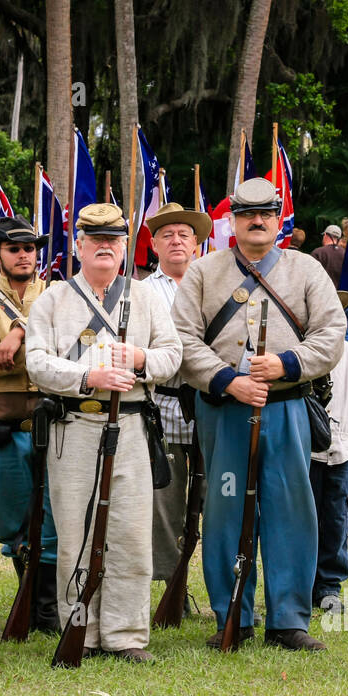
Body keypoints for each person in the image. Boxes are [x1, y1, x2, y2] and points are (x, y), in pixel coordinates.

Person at [173, 177, 344, 652]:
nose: (257, 221)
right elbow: (182, 339)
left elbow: (332, 334)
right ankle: (234, 615)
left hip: (286, 407)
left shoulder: (306, 269)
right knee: (226, 509)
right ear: (233, 220)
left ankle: (289, 620)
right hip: (224, 409)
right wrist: (230, 380)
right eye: (248, 214)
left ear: (278, 219)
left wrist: (288, 364)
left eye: (267, 213)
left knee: (291, 509)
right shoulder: (205, 272)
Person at [25, 202, 182, 663]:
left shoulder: (146, 297)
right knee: (75, 531)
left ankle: (127, 635)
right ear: (78, 245)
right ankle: (83, 630)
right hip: (73, 426)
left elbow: (172, 355)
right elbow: (36, 361)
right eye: (95, 239)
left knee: (131, 533)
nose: (104, 247)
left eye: (113, 239)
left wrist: (139, 360)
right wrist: (86, 377)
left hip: (131, 424)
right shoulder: (53, 299)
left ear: (124, 247)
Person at [0, 215, 59, 633]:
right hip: (3, 427)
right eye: (14, 248)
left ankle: (46, 608)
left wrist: (19, 332)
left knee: (52, 515)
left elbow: (63, 341)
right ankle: (27, 593)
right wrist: (1, 350)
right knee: (13, 519)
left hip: (53, 423)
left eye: (29, 248)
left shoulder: (57, 294)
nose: (24, 255)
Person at [141, 202, 212, 595]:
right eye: (167, 234)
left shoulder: (213, 285)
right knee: (166, 503)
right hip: (164, 403)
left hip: (213, 403)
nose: (176, 240)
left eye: (184, 234)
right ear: (154, 245)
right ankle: (173, 587)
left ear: (197, 244)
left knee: (211, 501)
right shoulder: (143, 292)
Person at [310, 292, 348, 615]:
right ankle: (301, 583)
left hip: (340, 447)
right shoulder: (301, 353)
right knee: (303, 518)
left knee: (337, 518)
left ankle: (329, 585)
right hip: (307, 449)